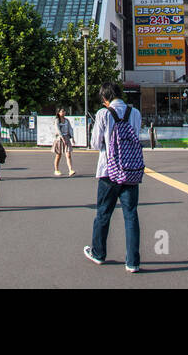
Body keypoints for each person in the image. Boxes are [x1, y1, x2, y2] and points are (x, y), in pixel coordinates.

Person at [83, 83, 143, 272]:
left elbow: (94, 144)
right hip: (130, 170)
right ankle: (132, 262)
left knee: (103, 213)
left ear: (105, 98)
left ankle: (98, 253)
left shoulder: (103, 114)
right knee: (131, 215)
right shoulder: (135, 113)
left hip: (108, 171)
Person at [52, 108, 76, 176]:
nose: (63, 112)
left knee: (68, 154)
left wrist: (72, 138)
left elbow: (70, 129)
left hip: (67, 138)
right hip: (59, 139)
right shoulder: (57, 120)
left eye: (64, 111)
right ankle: (56, 170)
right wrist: (62, 138)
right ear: (58, 113)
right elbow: (58, 130)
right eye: (62, 111)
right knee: (58, 155)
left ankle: (70, 170)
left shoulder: (67, 120)